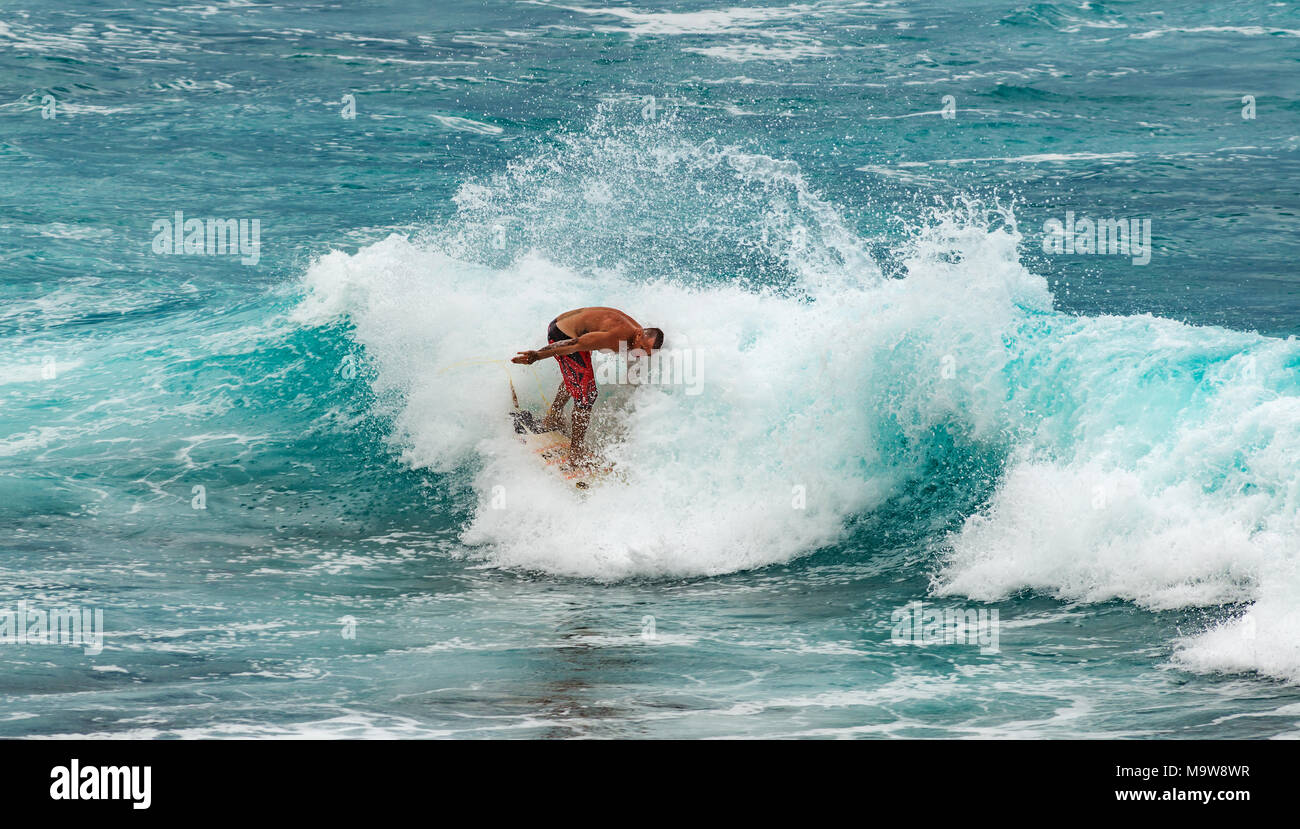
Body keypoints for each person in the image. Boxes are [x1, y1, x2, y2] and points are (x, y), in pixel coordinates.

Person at [512, 307, 663, 466]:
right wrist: (537, 355)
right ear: (639, 335)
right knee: (587, 395)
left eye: (647, 353)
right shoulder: (616, 337)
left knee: (578, 377)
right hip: (562, 334)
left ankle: (553, 417)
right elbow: (573, 344)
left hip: (573, 331)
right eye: (642, 348)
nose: (642, 353)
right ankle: (575, 452)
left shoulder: (638, 335)